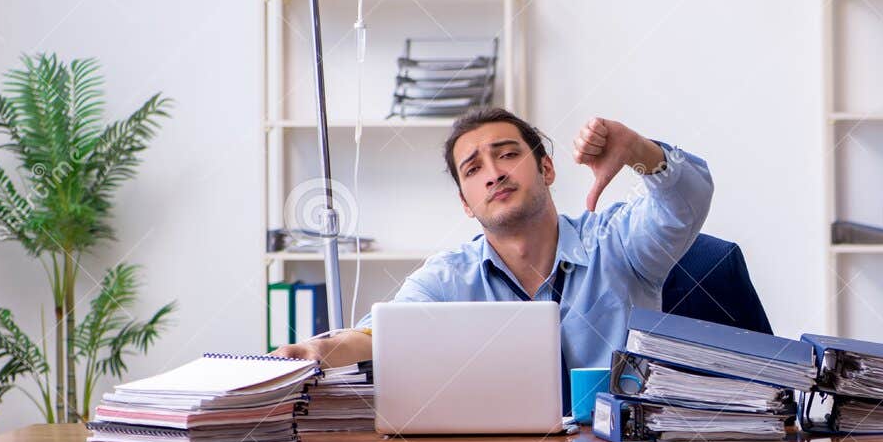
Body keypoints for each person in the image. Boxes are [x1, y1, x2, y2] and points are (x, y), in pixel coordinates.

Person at [275, 110, 713, 374]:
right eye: (472, 169)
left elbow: (687, 200)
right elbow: (381, 336)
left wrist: (639, 149)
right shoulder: (448, 278)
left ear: (546, 169)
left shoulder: (616, 243)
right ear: (466, 203)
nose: (494, 173)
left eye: (507, 155)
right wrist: (313, 352)